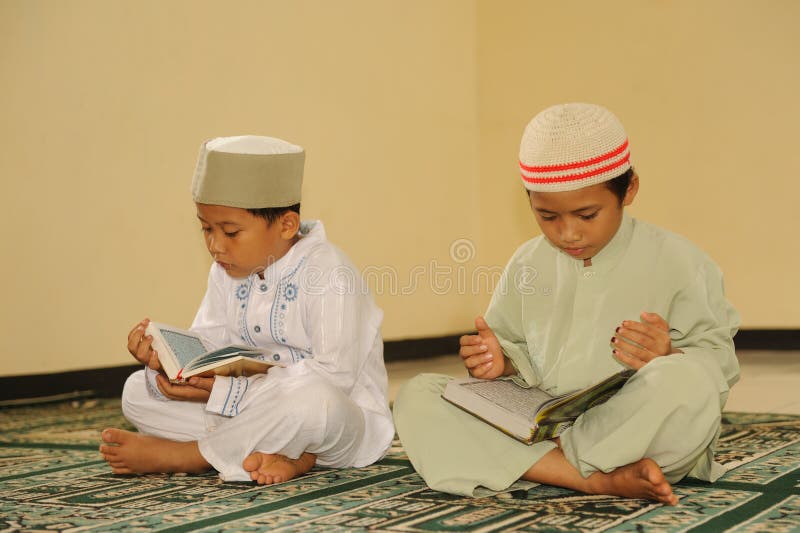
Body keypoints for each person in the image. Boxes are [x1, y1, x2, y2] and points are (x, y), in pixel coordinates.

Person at [393, 103, 740, 506]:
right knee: (418, 396)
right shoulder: (527, 261)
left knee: (689, 383)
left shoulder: (681, 261)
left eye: (586, 215)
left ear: (628, 190)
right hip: (544, 421)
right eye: (547, 217)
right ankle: (595, 479)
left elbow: (718, 363)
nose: (568, 233)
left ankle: (548, 465)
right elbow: (510, 347)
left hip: (630, 423)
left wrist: (670, 354)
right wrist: (498, 361)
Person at [100, 135, 394, 484]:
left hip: (340, 420)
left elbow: (334, 378)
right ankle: (288, 455)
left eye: (230, 231)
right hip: (249, 408)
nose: (214, 245)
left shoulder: (330, 273)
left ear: (286, 225)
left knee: (314, 403)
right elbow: (209, 344)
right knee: (138, 390)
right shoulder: (227, 270)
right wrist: (168, 361)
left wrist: (230, 393)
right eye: (206, 229)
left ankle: (193, 455)